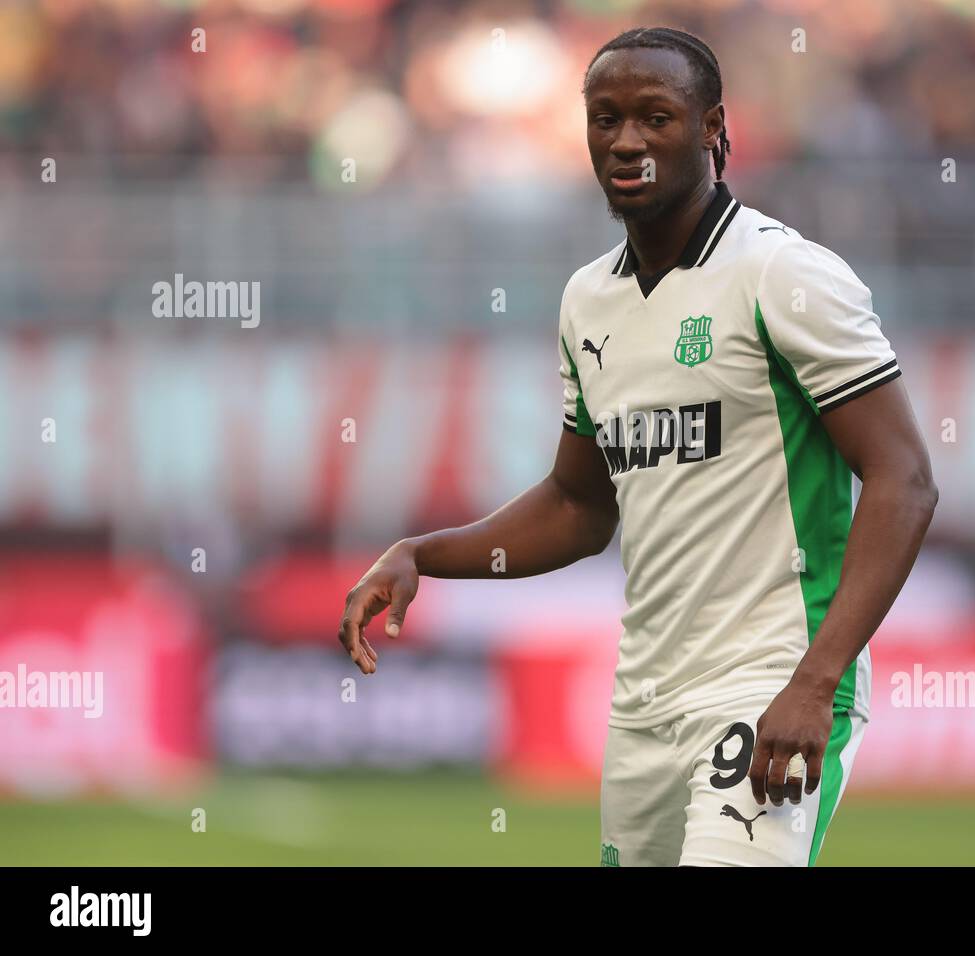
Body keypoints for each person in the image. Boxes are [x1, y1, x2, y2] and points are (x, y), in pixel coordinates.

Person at [338, 26, 937, 866]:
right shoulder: (589, 300)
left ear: (712, 129)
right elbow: (580, 505)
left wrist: (816, 680)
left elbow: (903, 478)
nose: (626, 141)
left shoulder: (784, 276)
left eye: (656, 117)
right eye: (604, 118)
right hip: (646, 697)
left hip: (771, 676)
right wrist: (422, 553)